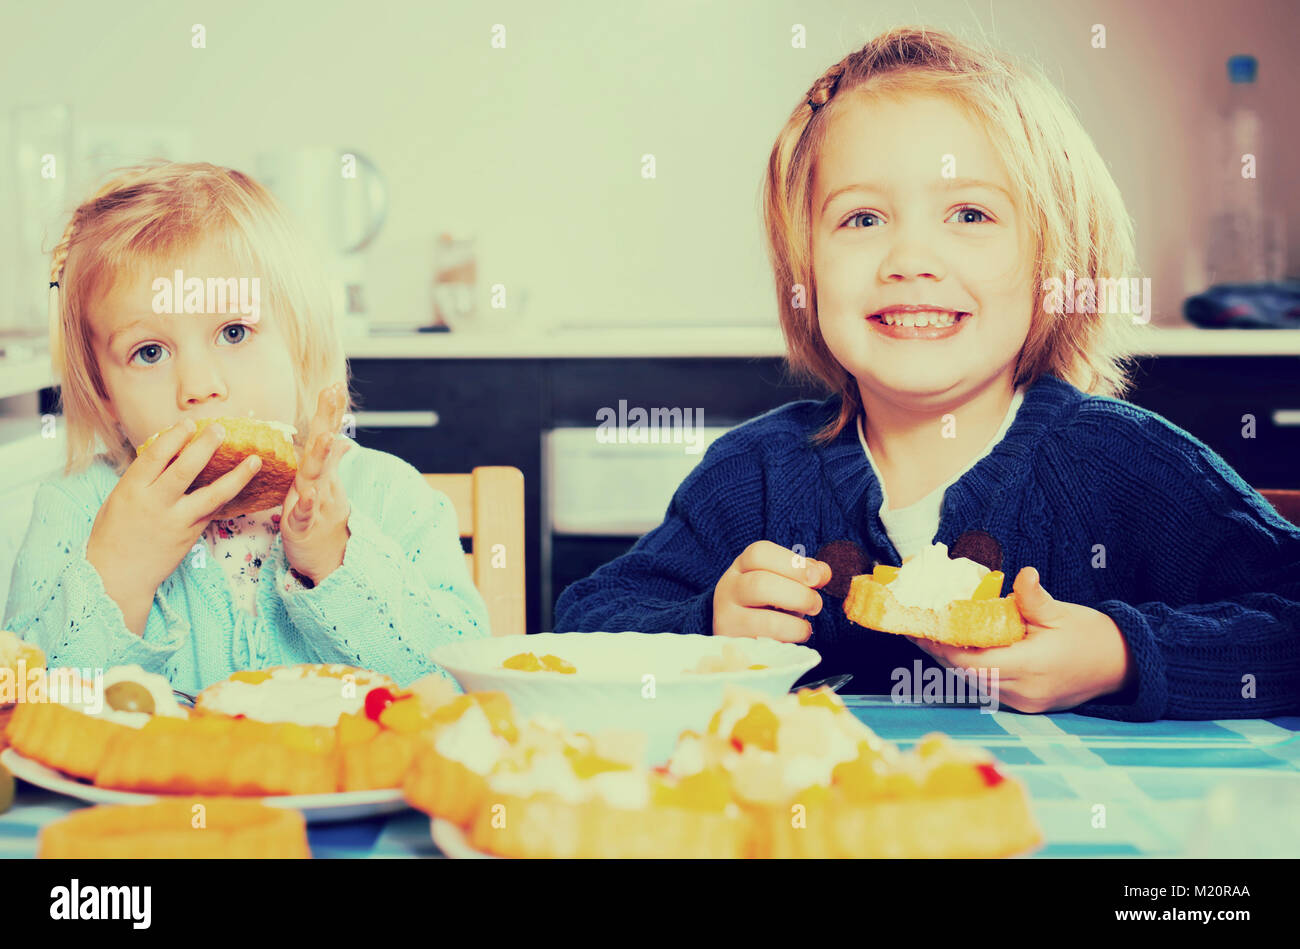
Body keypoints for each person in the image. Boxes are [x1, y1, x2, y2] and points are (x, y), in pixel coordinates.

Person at [554, 27, 1300, 721]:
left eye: (970, 214)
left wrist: (1120, 654)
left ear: (1056, 262)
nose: (910, 259)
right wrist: (707, 626)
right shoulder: (754, 478)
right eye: (863, 219)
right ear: (803, 271)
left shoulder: (1126, 466)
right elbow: (584, 624)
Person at [4, 161, 489, 690]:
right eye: (149, 351)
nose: (199, 385)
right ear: (106, 393)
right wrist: (118, 572)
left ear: (300, 349)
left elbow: (460, 687)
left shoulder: (391, 496)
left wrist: (335, 559)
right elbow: (30, 710)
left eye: (234, 332)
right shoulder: (73, 511)